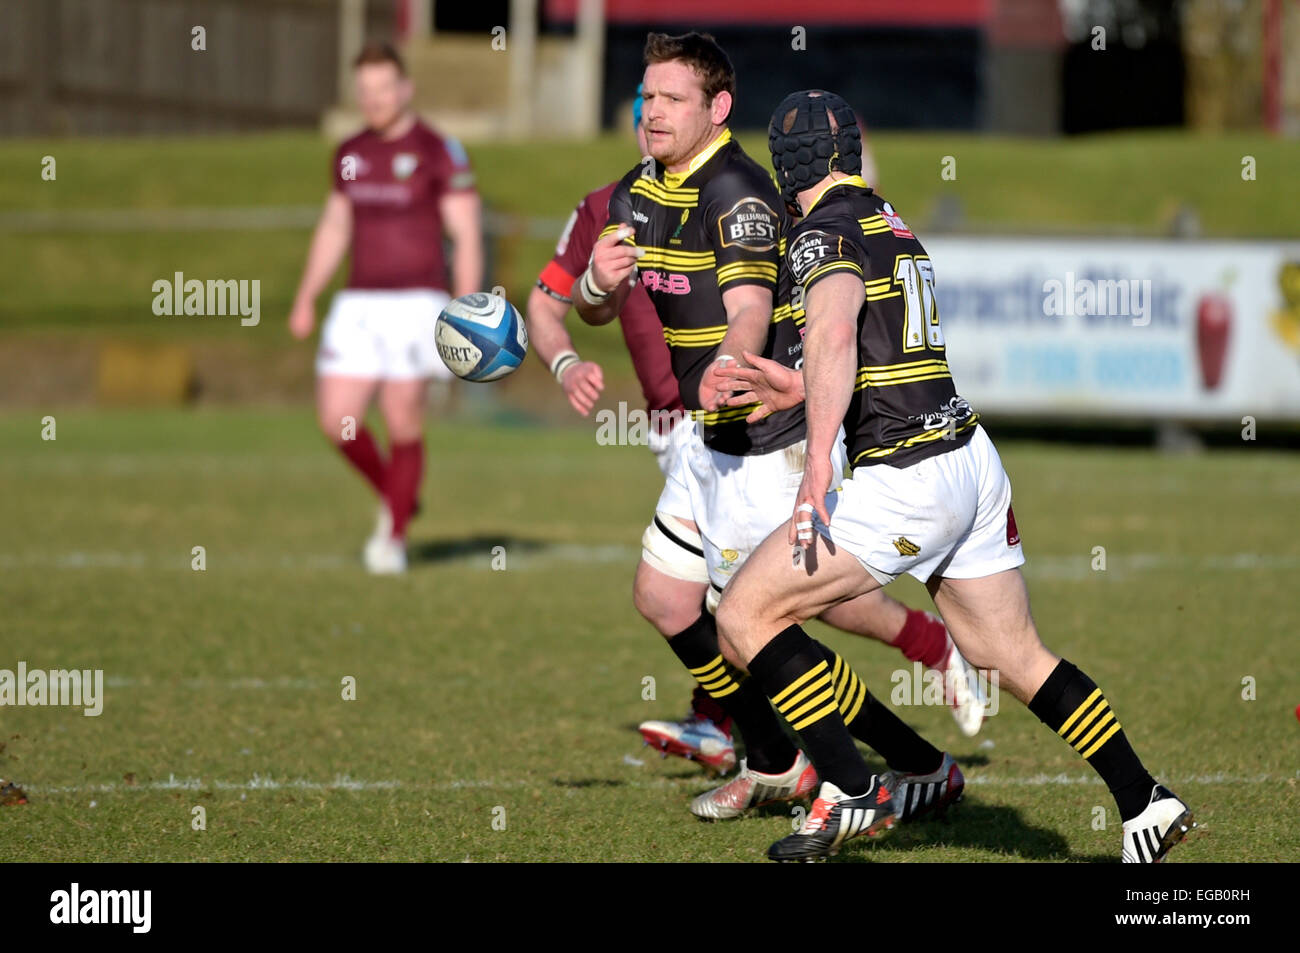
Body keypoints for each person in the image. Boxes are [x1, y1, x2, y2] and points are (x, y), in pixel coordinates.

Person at [714, 90, 1194, 862]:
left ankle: (852, 789)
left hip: (908, 476)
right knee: (1015, 656)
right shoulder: (889, 221)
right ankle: (1144, 799)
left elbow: (835, 332)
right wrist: (798, 389)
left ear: (784, 163)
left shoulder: (818, 233)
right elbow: (881, 357)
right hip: (970, 461)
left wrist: (813, 465)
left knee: (743, 616)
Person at [575, 33, 968, 823]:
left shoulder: (739, 195)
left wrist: (730, 358)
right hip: (703, 440)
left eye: (671, 99)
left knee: (758, 630)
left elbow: (750, 304)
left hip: (767, 440)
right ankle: (776, 755)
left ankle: (906, 767)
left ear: (717, 109)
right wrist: (593, 282)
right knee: (663, 596)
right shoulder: (633, 194)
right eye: (645, 98)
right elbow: (595, 305)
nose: (651, 113)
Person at [288, 41, 483, 574]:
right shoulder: (349, 154)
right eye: (365, 91)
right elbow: (335, 226)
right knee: (338, 421)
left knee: (402, 419)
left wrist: (466, 306)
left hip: (418, 305)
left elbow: (464, 230)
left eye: (383, 88)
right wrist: (306, 294)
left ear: (405, 89)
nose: (374, 100)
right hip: (357, 305)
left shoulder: (438, 150)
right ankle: (397, 493)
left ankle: (392, 537)